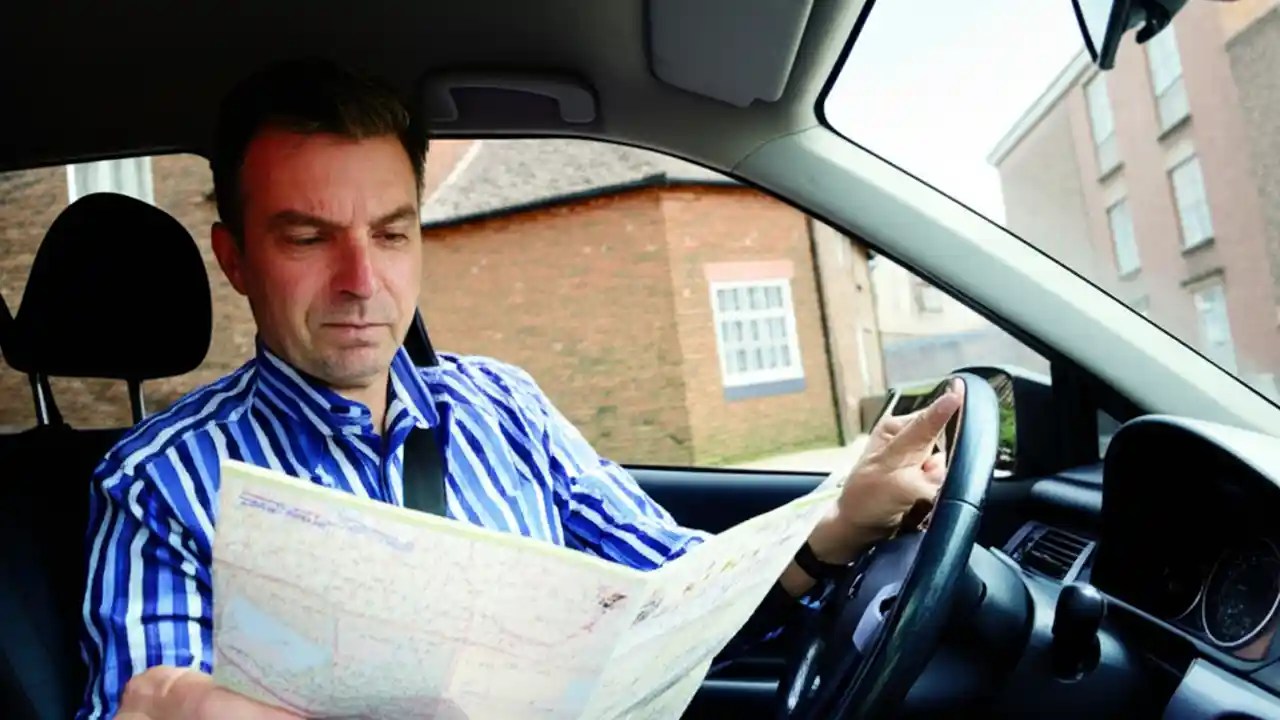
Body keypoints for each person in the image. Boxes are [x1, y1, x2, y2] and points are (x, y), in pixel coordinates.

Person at [81, 58, 963, 720]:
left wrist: (841, 518)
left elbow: (676, 594)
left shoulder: (502, 408)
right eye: (307, 238)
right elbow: (153, 689)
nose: (361, 279)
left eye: (390, 234)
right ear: (234, 258)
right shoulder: (163, 479)